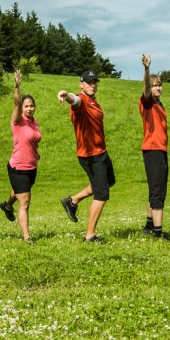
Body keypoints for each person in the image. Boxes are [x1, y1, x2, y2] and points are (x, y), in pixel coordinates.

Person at [57, 70, 115, 242]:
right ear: (81, 84)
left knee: (109, 181)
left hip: (101, 152)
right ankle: (89, 235)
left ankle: (72, 201)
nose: (93, 85)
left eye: (95, 82)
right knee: (101, 194)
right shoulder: (81, 102)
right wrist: (65, 94)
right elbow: (75, 101)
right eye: (89, 82)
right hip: (90, 155)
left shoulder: (93, 102)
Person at [0, 70, 41, 242]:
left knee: (19, 192)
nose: (29, 108)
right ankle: (26, 236)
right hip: (18, 168)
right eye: (27, 106)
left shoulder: (34, 122)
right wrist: (17, 86)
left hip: (32, 167)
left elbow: (33, 141)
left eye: (31, 105)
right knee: (25, 202)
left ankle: (7, 205)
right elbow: (16, 103)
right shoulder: (17, 120)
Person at [139, 55, 170, 240]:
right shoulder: (148, 102)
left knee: (155, 188)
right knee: (158, 190)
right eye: (154, 85)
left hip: (160, 150)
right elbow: (145, 88)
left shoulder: (159, 104)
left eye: (159, 84)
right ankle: (158, 233)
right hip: (153, 149)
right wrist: (146, 70)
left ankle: (149, 225)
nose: (157, 87)